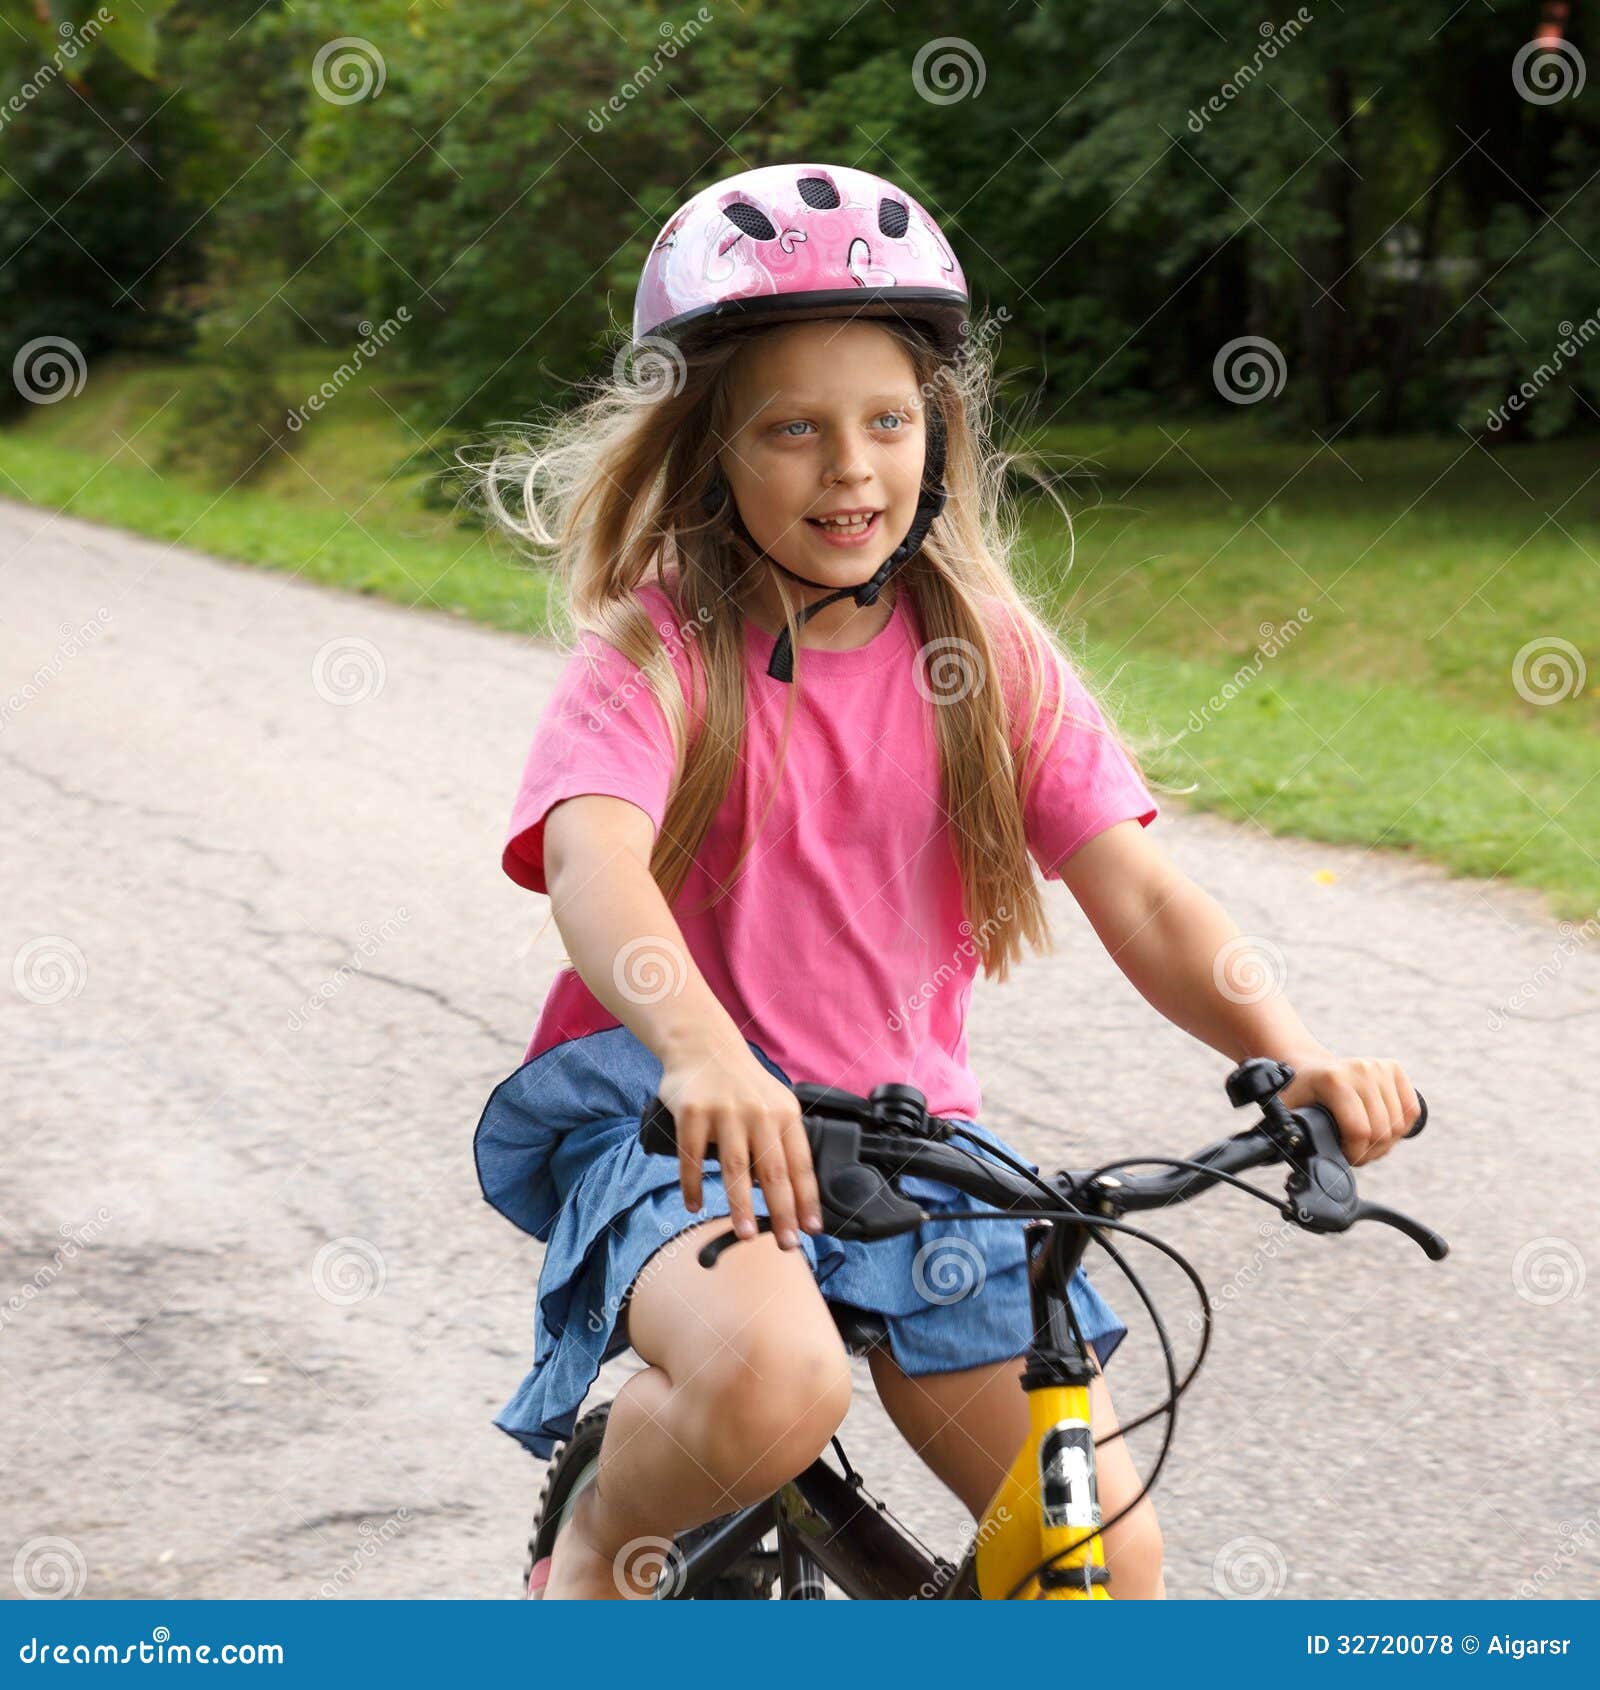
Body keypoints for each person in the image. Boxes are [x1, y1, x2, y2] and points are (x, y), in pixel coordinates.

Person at [472, 162, 1422, 1601]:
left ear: (938, 433)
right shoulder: (661, 649)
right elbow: (594, 859)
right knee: (776, 1381)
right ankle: (608, 1527)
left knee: (1097, 1555)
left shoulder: (984, 657)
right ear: (710, 449)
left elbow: (1148, 896)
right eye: (791, 428)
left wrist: (1290, 1058)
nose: (849, 465)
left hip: (912, 1150)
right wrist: (705, 1049)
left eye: (886, 421)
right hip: (682, 1123)